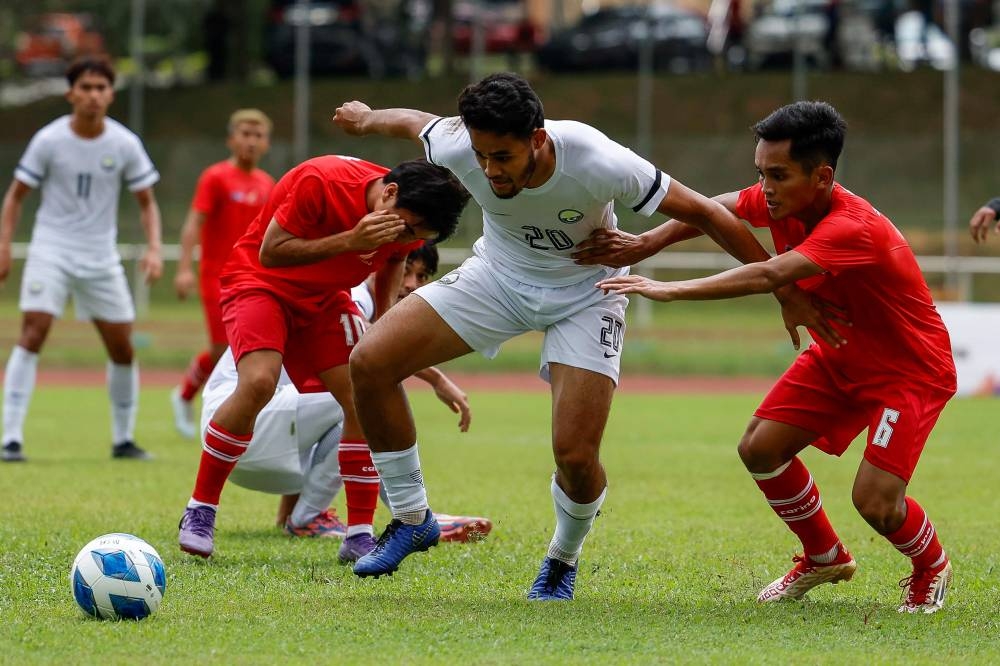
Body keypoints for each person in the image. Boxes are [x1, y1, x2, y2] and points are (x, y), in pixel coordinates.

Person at [332, 72, 836, 598]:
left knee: (574, 456)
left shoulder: (597, 159)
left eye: (502, 157)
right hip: (497, 277)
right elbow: (413, 123)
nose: (488, 169)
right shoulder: (461, 143)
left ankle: (561, 559)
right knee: (370, 361)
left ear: (538, 139)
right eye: (481, 156)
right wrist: (365, 119)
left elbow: (706, 212)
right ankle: (413, 517)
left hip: (587, 292)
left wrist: (783, 287)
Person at [594, 101, 956, 614]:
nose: (765, 187)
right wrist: (646, 241)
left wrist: (669, 290)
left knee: (875, 502)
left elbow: (768, 275)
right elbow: (717, 208)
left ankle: (931, 566)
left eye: (778, 175)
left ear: (822, 176)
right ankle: (824, 555)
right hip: (839, 356)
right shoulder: (785, 201)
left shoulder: (855, 226)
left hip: (908, 373)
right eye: (761, 172)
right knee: (760, 449)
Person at [176, 153, 469, 565]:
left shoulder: (407, 228)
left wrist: (393, 347)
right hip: (259, 283)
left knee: (363, 393)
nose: (406, 240)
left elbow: (391, 272)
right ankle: (200, 509)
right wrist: (352, 240)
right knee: (259, 381)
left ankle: (359, 534)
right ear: (389, 194)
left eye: (418, 236)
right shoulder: (323, 181)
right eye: (408, 228)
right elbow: (270, 253)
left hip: (325, 300)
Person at [208, 247, 491, 543]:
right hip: (238, 433)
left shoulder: (361, 299)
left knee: (352, 397)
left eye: (421, 276)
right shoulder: (353, 295)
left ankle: (312, 514)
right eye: (405, 269)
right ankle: (390, 517)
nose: (411, 283)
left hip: (258, 444)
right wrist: (437, 379)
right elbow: (372, 345)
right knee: (364, 395)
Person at [0, 57, 162, 463]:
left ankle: (124, 440)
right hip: (51, 248)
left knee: (122, 347)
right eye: (86, 87)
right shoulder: (49, 140)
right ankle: (10, 437)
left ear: (111, 94)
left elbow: (147, 203)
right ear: (71, 93)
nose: (93, 95)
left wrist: (155, 248)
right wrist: (4, 246)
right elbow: (16, 196)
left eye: (101, 88)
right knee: (33, 332)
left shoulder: (124, 143)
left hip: (100, 254)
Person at [171, 109, 275, 439]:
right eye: (245, 133)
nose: (251, 141)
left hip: (253, 279)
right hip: (216, 277)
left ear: (266, 143)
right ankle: (186, 396)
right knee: (222, 350)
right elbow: (193, 224)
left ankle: (233, 415)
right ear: (231, 139)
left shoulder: (267, 183)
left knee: (244, 350)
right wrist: (184, 268)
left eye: (258, 135)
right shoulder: (215, 177)